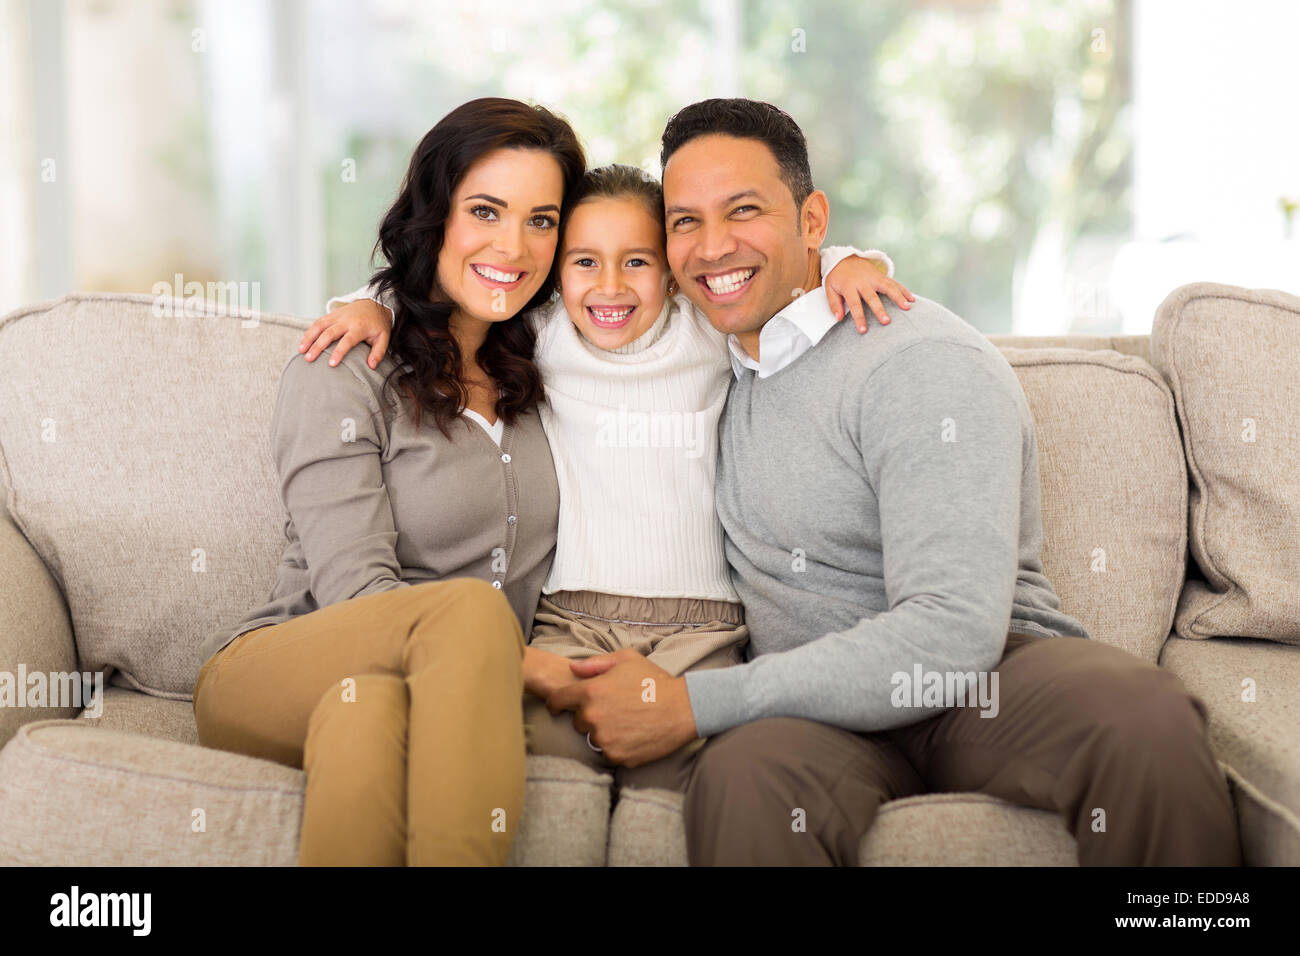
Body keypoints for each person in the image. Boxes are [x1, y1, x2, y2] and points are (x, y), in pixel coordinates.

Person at [541, 98, 1243, 866]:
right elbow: (498, 296)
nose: (713, 247)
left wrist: (695, 703)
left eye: (743, 210)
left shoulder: (916, 359)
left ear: (812, 221)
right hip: (813, 716)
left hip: (986, 680)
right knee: (744, 778)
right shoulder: (705, 357)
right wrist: (379, 307)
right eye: (685, 222)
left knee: (1139, 717)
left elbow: (952, 629)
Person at [304, 162, 914, 796]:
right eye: (584, 262)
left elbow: (784, 277)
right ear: (555, 274)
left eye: (638, 262)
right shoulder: (541, 337)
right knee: (520, 765)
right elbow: (450, 298)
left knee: (689, 779)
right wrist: (371, 307)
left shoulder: (708, 331)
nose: (610, 287)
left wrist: (848, 262)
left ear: (675, 274)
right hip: (572, 625)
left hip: (704, 632)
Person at [191, 97, 586, 866]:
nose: (514, 243)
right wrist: (523, 664)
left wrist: (841, 264)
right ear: (434, 215)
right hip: (278, 665)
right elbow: (356, 592)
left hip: (396, 689)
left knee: (370, 714)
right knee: (468, 614)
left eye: (542, 219)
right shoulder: (348, 367)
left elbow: (680, 282)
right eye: (485, 210)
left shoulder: (555, 360)